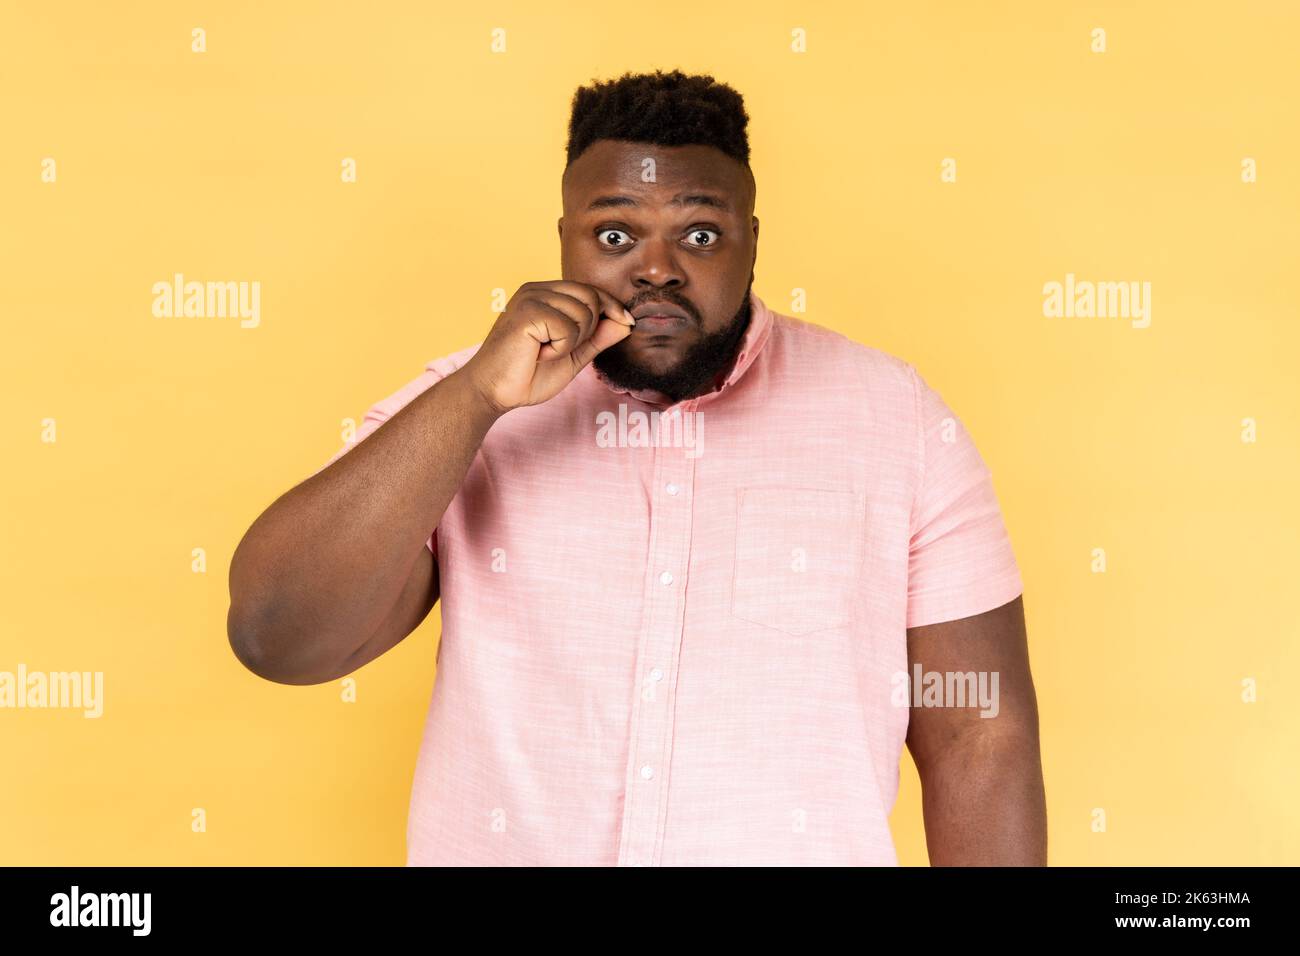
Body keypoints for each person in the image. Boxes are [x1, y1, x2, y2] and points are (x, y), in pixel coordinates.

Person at [227, 69, 1047, 866]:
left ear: (751, 243)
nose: (656, 268)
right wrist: (479, 396)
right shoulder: (459, 407)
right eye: (615, 235)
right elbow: (277, 637)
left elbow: (978, 731)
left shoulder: (894, 418)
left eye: (699, 233)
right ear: (564, 240)